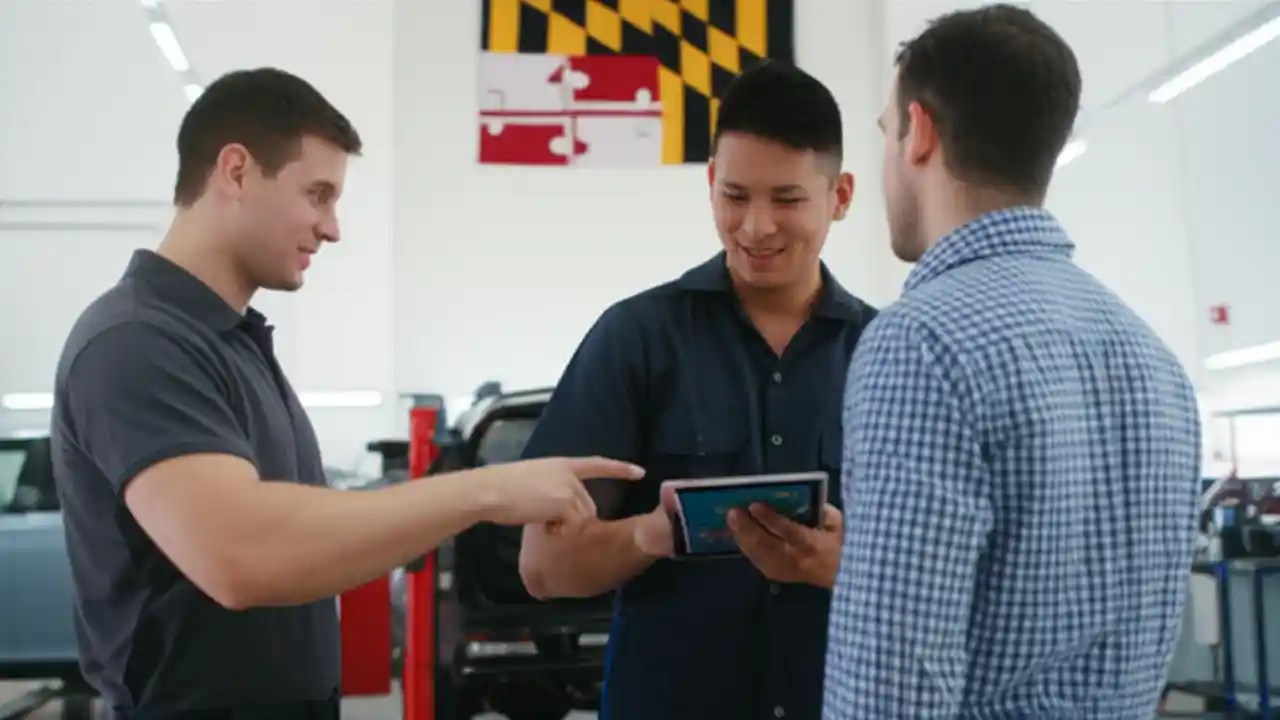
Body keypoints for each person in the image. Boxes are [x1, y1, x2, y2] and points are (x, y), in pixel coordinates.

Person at [48, 67, 641, 720]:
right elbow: (241, 554)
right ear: (237, 172)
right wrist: (488, 490)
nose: (332, 228)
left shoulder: (231, 344)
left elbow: (307, 543)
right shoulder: (137, 341)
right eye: (318, 194)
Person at [822, 6, 1201, 718]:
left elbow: (892, 686)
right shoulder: (1154, 358)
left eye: (886, 132)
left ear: (921, 134)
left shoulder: (922, 343)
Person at [517, 61, 876, 720]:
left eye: (788, 199)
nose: (757, 227)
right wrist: (649, 536)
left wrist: (852, 564)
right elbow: (544, 568)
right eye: (735, 196)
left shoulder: (889, 355)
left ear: (841, 195)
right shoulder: (636, 340)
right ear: (711, 182)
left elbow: (964, 578)